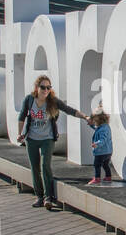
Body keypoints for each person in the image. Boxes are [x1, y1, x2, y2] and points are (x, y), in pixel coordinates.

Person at [15, 75, 91, 210]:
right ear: (37, 88)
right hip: (32, 139)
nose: (45, 90)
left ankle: (48, 197)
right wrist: (19, 134)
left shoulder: (52, 101)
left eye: (48, 87)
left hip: (47, 139)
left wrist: (85, 116)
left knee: (45, 165)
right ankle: (39, 196)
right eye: (43, 87)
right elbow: (21, 117)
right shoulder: (29, 100)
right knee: (35, 167)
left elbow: (69, 110)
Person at [89, 110, 113, 184]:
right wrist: (90, 125)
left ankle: (97, 178)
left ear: (98, 120)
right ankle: (108, 177)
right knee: (105, 164)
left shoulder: (103, 129)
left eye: (94, 120)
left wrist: (97, 144)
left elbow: (103, 139)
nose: (94, 122)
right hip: (108, 151)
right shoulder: (104, 127)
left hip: (101, 152)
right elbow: (97, 128)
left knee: (97, 165)